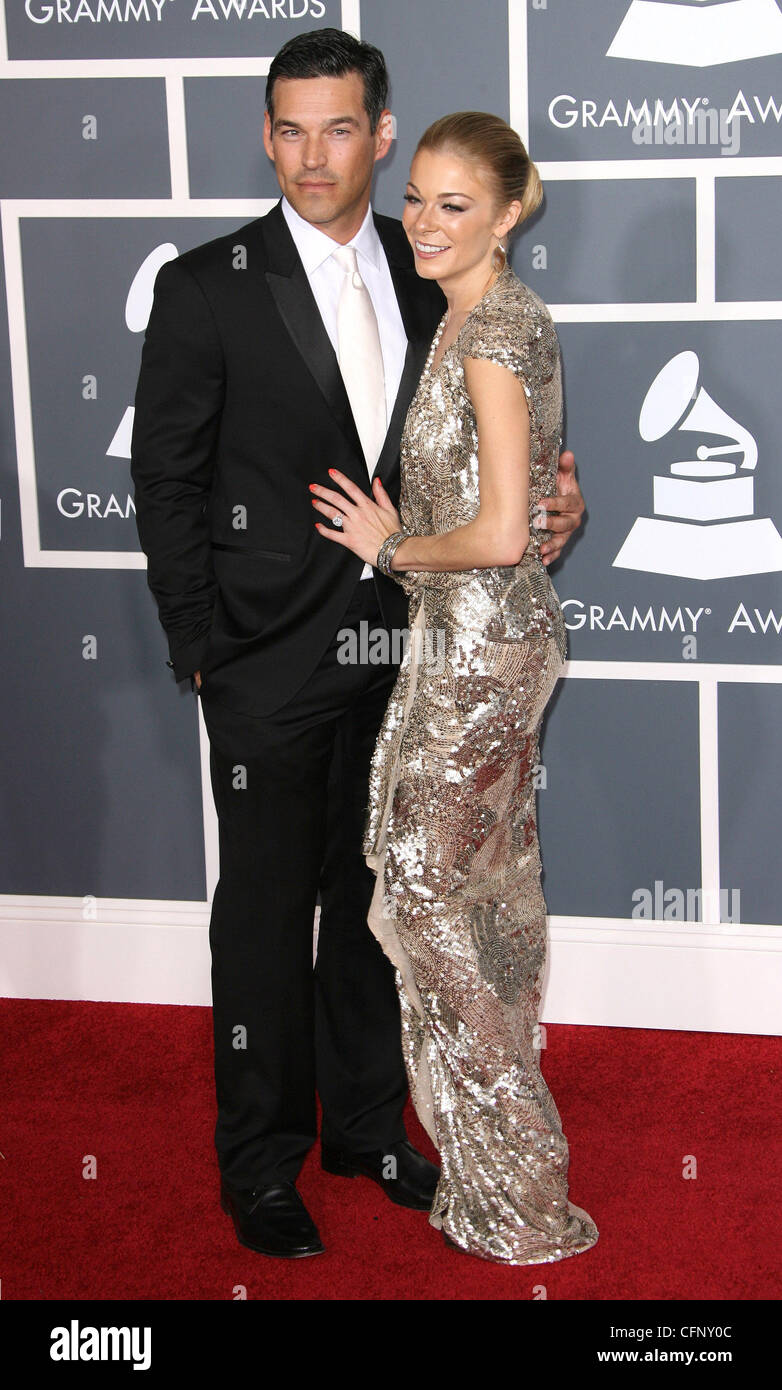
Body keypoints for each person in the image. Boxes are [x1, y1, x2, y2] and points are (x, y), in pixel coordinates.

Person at [130, 30, 585, 1260]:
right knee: (268, 915)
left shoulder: (424, 255)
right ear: (265, 134)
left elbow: (482, 448)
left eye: (338, 128)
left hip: (408, 653)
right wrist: (202, 650)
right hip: (267, 666)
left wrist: (553, 497)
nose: (311, 155)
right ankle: (262, 1159)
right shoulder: (206, 282)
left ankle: (369, 1123)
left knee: (378, 901)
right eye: (288, 128)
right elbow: (164, 481)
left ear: (382, 135)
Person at [311, 111, 598, 1264]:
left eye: (453, 205)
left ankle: (517, 1174)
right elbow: (524, 504)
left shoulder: (490, 331)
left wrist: (386, 545)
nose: (422, 223)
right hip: (479, 642)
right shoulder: (478, 317)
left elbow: (488, 530)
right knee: (469, 894)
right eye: (416, 198)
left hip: (476, 650)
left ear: (508, 212)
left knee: (431, 891)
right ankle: (501, 1168)